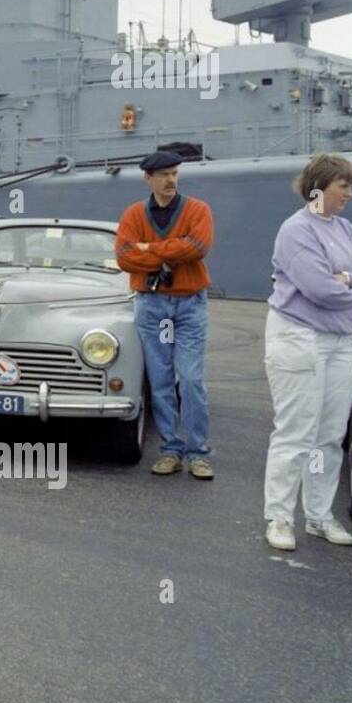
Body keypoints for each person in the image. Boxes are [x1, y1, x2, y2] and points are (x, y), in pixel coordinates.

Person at [260, 153, 352, 550]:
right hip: (301, 339)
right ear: (321, 187)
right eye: (344, 186)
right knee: (296, 431)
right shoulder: (296, 231)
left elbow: (345, 281)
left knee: (329, 434)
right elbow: (319, 289)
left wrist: (348, 278)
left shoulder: (347, 230)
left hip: (343, 341)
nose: (350, 194)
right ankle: (280, 517)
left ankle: (319, 515)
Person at [115, 150, 215, 478]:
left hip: (187, 305)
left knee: (190, 379)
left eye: (174, 173)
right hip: (154, 305)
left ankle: (198, 451)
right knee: (159, 380)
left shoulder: (198, 209)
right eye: (164, 175)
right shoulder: (133, 214)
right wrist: (172, 250)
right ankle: (171, 449)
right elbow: (125, 257)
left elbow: (198, 247)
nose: (171, 179)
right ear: (148, 178)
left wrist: (150, 249)